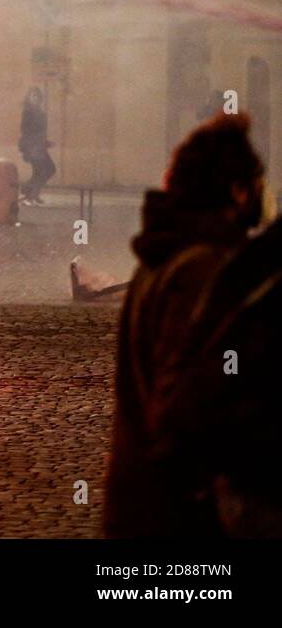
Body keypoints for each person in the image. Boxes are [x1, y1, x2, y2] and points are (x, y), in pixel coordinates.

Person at [103, 114, 264, 538]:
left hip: (139, 501)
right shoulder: (201, 269)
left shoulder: (161, 259)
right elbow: (186, 405)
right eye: (256, 181)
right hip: (175, 516)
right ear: (237, 190)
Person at [18, 86, 55, 204]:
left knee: (48, 170)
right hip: (31, 147)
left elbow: (42, 132)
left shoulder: (41, 113)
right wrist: (30, 146)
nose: (36, 99)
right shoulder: (27, 112)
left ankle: (33, 193)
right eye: (33, 96)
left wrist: (46, 142)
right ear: (29, 98)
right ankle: (29, 192)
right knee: (44, 170)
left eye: (38, 96)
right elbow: (25, 130)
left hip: (40, 146)